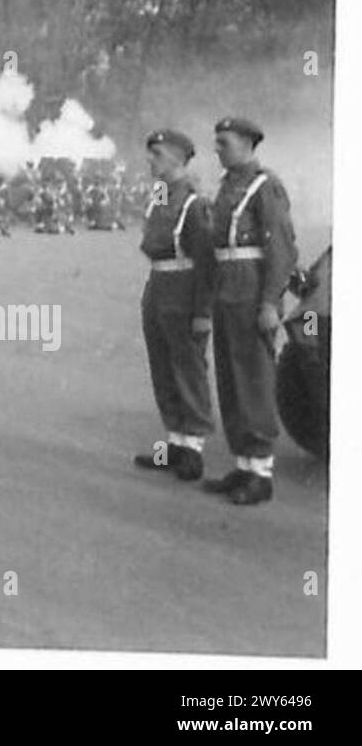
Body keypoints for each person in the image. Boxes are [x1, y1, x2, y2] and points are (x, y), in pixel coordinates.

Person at [202, 117, 297, 506]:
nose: (218, 149)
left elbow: (282, 250)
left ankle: (261, 472)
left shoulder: (265, 186)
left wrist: (271, 302)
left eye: (224, 143)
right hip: (227, 287)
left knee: (253, 378)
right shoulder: (227, 186)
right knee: (230, 376)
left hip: (251, 287)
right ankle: (243, 463)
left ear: (246, 143)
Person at [132, 130, 215, 482]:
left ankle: (193, 448)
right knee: (162, 366)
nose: (151, 160)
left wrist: (202, 313)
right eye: (150, 153)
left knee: (187, 366)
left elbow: (208, 263)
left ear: (178, 159)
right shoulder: (160, 196)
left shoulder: (194, 203)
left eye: (158, 154)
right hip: (158, 285)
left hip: (183, 287)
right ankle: (175, 443)